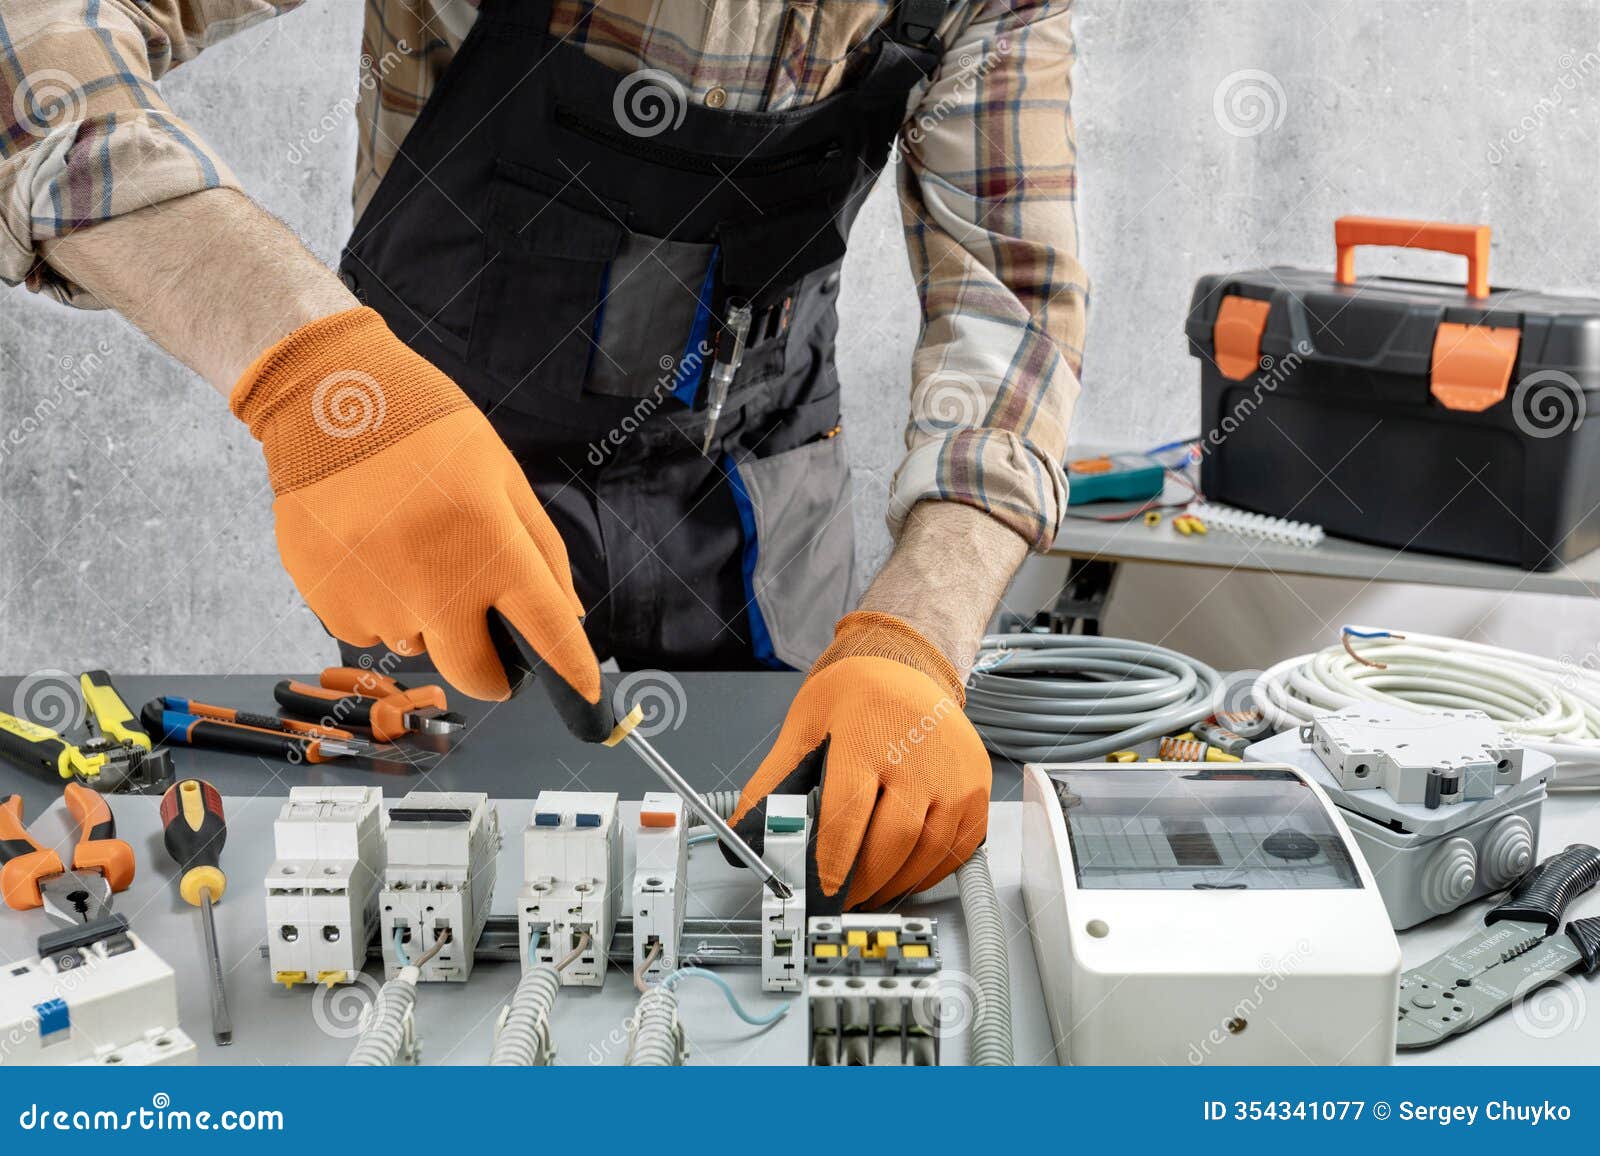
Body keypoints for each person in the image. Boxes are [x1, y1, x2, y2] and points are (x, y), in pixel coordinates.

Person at [5, 0, 1085, 910]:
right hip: (442, 496)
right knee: (443, 900)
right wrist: (309, 378)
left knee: (772, 893)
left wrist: (917, 632)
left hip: (759, 509)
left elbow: (1011, 299)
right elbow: (27, 39)